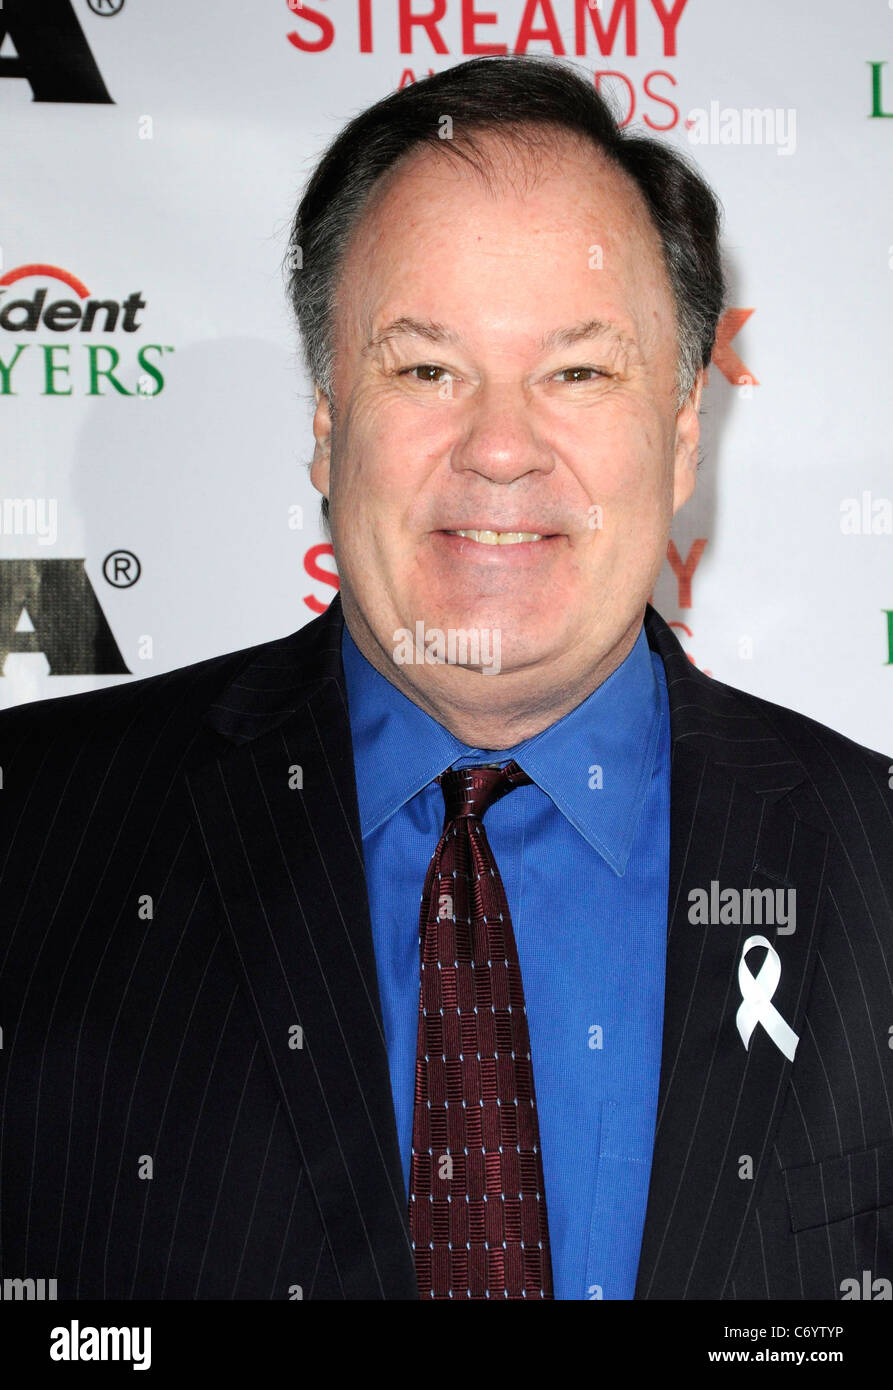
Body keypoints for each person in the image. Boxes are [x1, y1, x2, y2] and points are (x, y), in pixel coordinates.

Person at [0, 54, 890, 1302]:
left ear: (683, 431)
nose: (500, 449)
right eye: (426, 368)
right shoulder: (34, 833)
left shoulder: (871, 858)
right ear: (325, 417)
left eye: (576, 371)